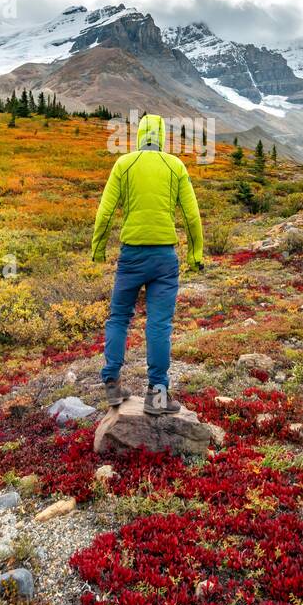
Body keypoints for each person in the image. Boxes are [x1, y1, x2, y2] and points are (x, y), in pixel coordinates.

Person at [91, 113, 203, 414]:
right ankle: (157, 394)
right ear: (163, 136)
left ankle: (113, 385)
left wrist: (98, 249)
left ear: (139, 135)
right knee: (159, 324)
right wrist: (196, 254)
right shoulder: (175, 165)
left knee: (118, 318)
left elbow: (105, 212)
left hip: (131, 256)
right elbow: (192, 216)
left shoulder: (123, 164)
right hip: (165, 258)